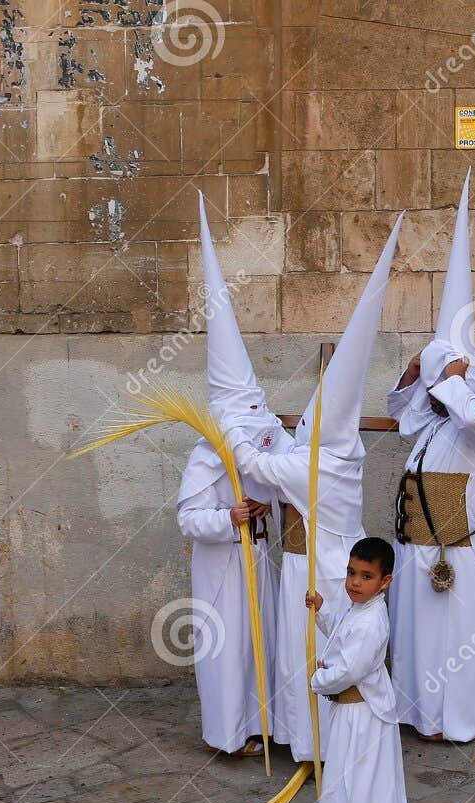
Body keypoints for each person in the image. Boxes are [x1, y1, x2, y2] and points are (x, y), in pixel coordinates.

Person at [226, 213, 403, 763]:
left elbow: (251, 458)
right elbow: (283, 450)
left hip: (315, 568)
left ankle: (312, 745)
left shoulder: (313, 466)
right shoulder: (341, 455)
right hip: (332, 562)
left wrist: (228, 417)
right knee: (321, 651)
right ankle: (316, 740)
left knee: (311, 655)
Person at [387, 171, 475, 744]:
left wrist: (456, 378)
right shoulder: (432, 428)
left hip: (461, 556)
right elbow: (404, 416)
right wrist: (415, 375)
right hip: (418, 549)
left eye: (441, 386)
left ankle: (456, 720)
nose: (434, 396)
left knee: (457, 642)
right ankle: (419, 714)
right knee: (417, 637)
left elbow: (473, 416)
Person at [174, 193, 286, 756]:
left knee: (262, 642)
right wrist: (230, 516)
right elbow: (189, 519)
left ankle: (264, 726)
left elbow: (282, 467)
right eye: (241, 413)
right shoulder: (205, 454)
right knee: (226, 648)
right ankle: (228, 732)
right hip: (223, 564)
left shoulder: (260, 435)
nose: (253, 422)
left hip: (260, 554)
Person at [304, 537, 407, 803]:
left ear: (385, 581)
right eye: (351, 573)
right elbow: (341, 631)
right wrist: (321, 611)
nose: (355, 582)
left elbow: (349, 669)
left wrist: (317, 680)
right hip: (351, 711)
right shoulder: (360, 609)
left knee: (354, 775)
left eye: (366, 576)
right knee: (346, 773)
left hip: (362, 715)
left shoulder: (372, 621)